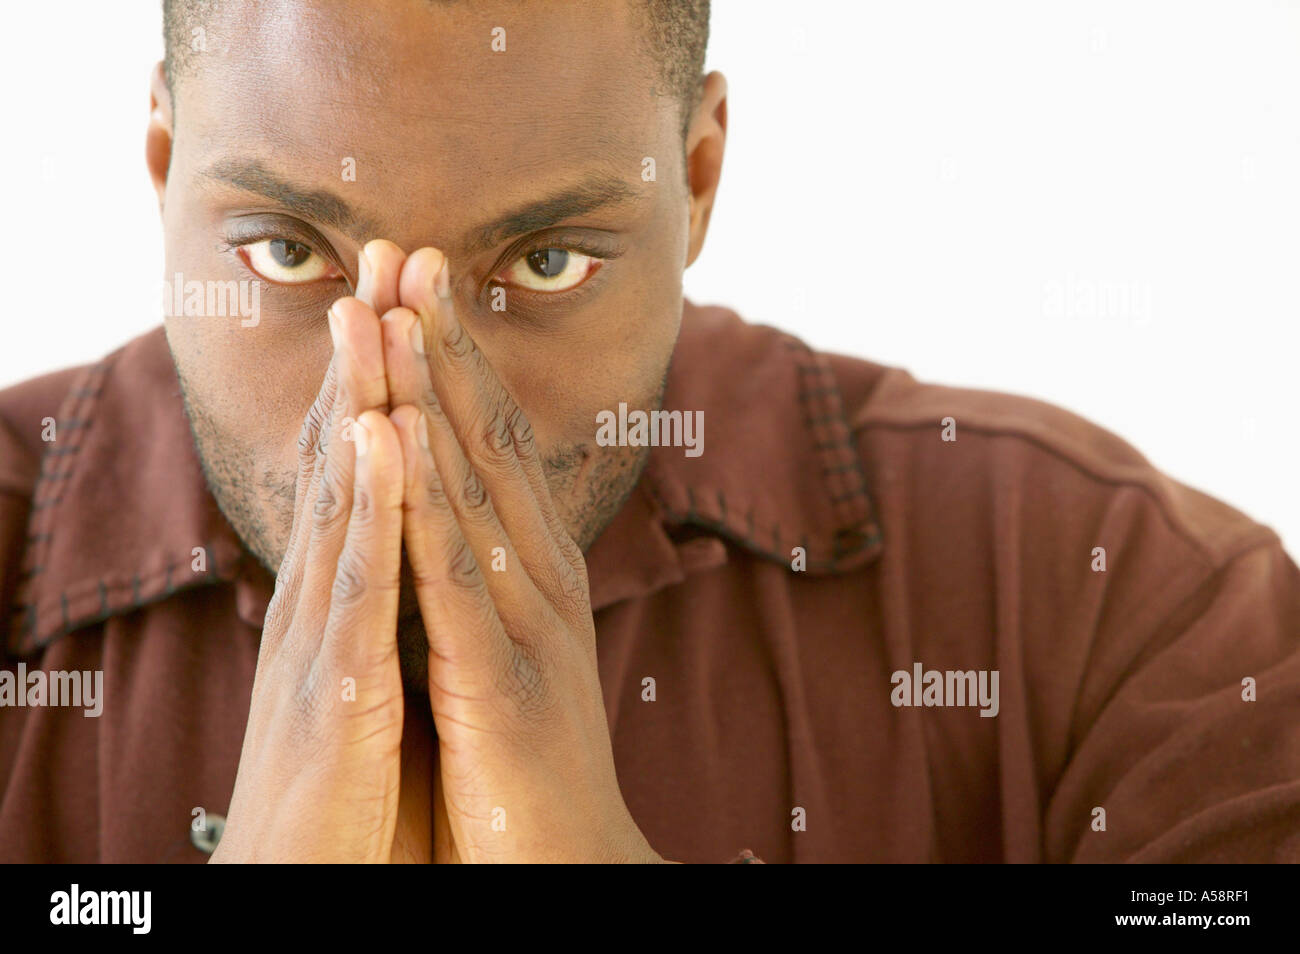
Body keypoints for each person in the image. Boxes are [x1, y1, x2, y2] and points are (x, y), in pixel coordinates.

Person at [1, 0, 1297, 863]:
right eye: (288, 252)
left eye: (550, 259)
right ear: (162, 161)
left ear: (696, 175)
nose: (401, 401)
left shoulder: (1124, 614)